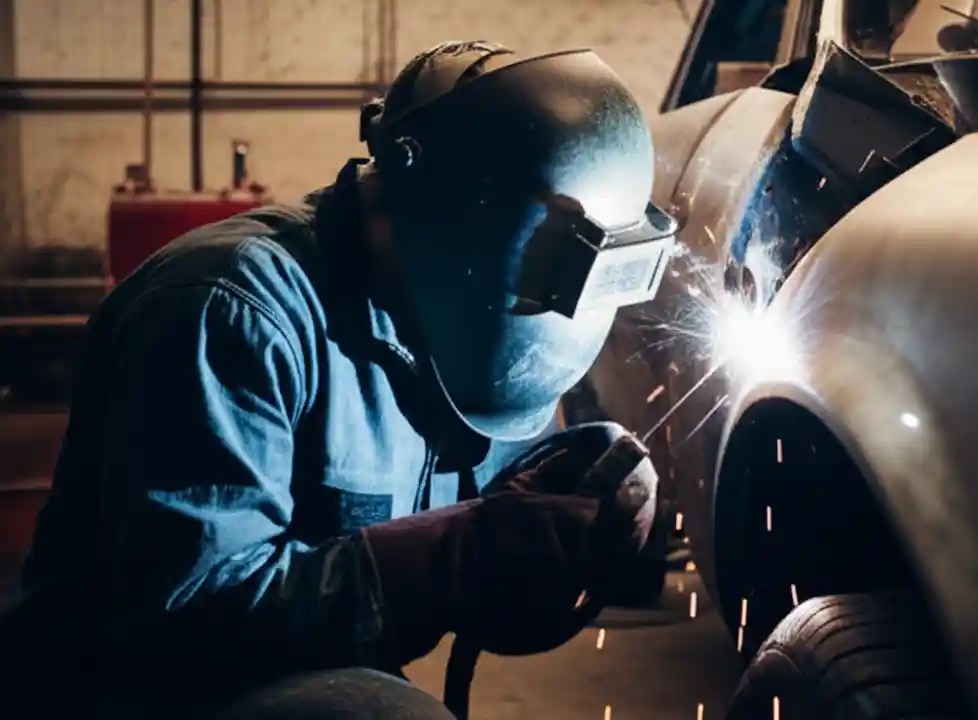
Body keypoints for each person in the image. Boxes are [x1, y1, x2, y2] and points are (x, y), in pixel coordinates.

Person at [0, 40, 674, 719]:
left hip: (297, 675)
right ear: (461, 218)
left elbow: (490, 604)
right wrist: (459, 551)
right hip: (121, 695)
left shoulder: (472, 335)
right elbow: (186, 618)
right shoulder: (225, 310)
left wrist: (575, 516)